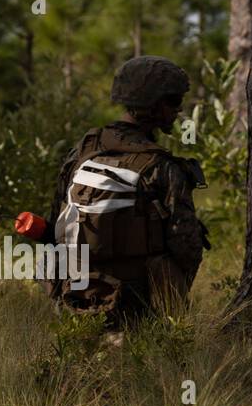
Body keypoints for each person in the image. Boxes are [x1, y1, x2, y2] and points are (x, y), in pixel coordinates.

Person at [47, 55, 209, 328]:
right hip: (137, 304)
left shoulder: (85, 148)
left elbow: (56, 216)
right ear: (153, 106)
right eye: (173, 102)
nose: (177, 111)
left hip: (76, 292)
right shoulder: (163, 166)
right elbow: (186, 245)